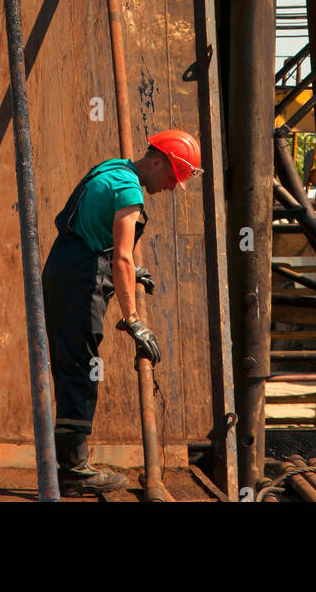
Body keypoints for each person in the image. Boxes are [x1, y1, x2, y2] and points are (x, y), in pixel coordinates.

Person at [41, 130, 203, 496]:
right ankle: (72, 470)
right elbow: (123, 257)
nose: (168, 188)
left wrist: (126, 276)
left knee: (74, 367)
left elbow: (97, 238)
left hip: (69, 267)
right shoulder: (129, 191)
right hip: (77, 281)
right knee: (80, 371)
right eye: (170, 178)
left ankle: (69, 463)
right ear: (158, 161)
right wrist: (134, 321)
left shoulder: (113, 169)